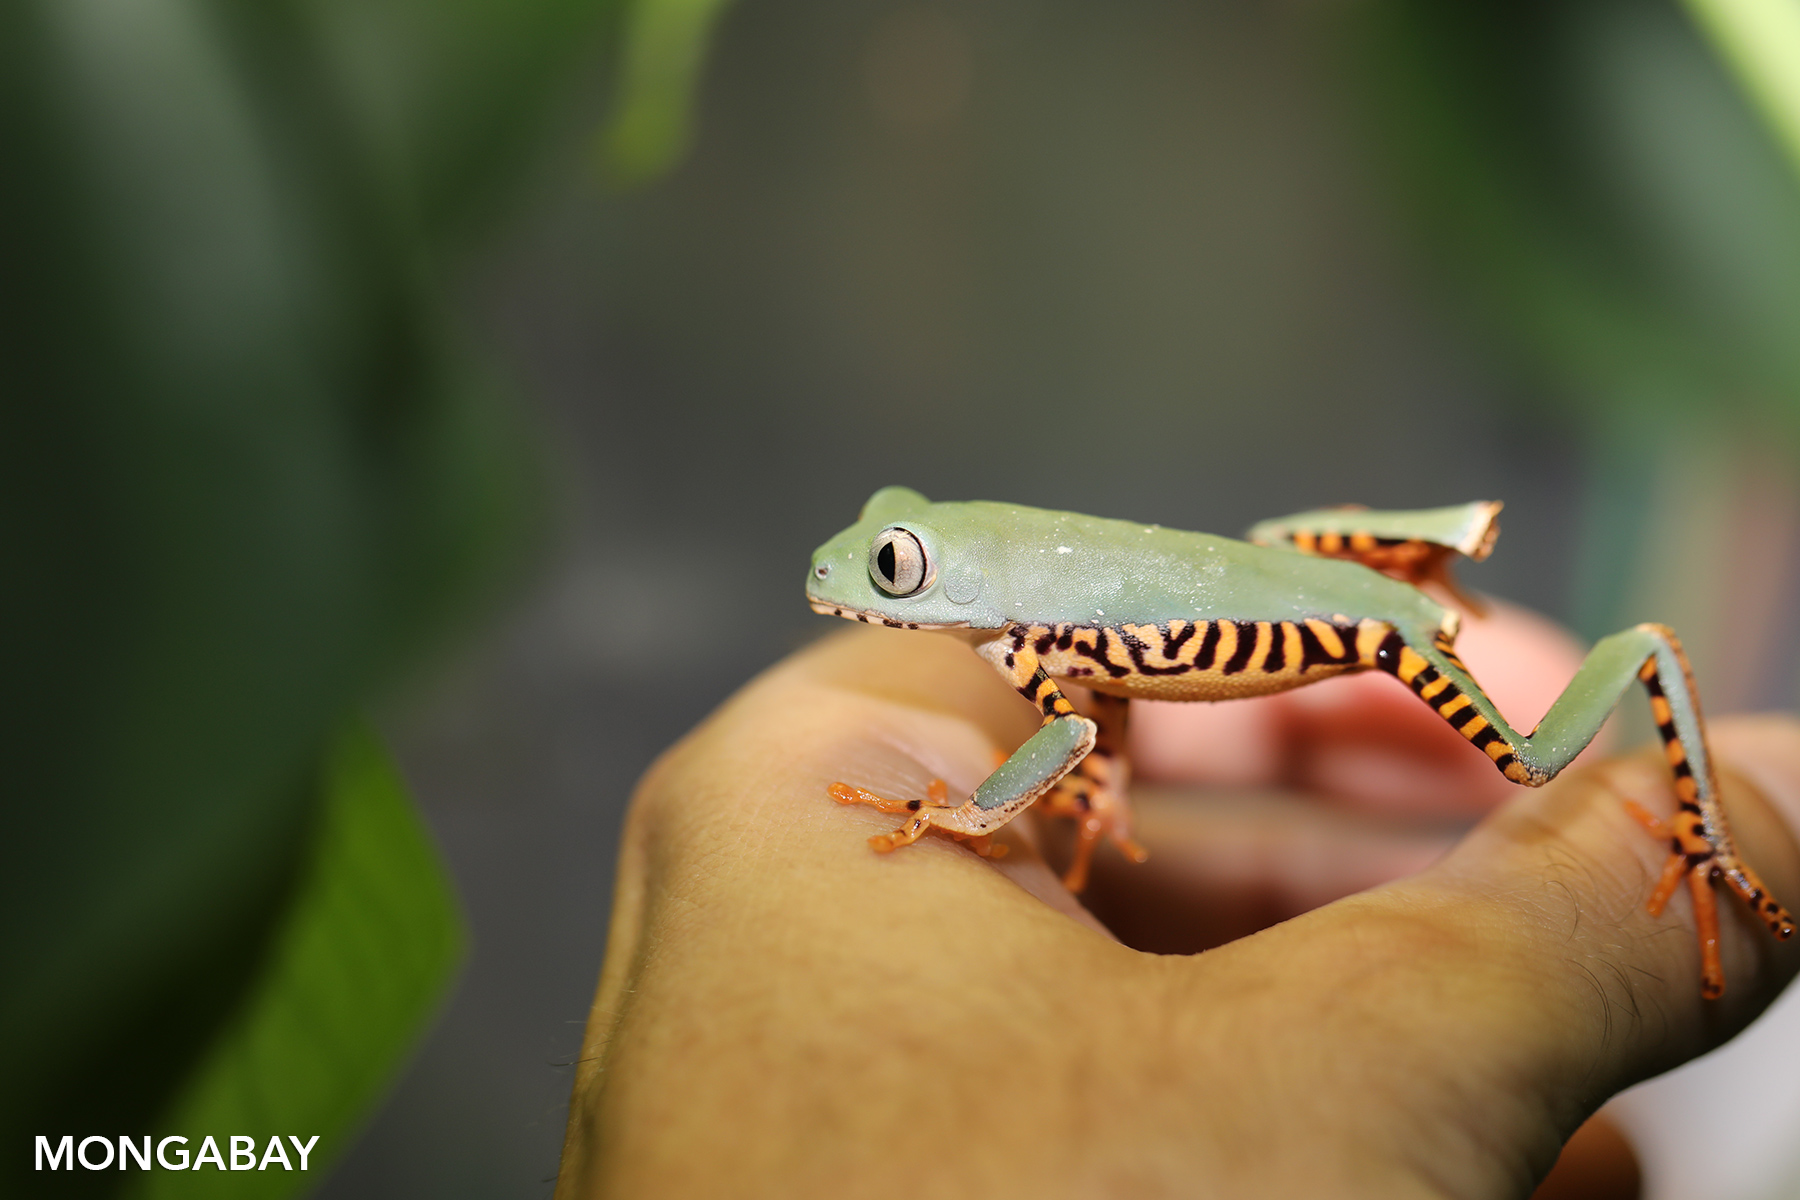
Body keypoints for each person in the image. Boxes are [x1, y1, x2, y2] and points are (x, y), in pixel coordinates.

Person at [555, 605, 1800, 1198]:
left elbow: (1060, 726)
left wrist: (976, 811)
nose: (857, 590)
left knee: (1530, 758)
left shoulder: (1039, 654)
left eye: (895, 570)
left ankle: (1708, 829)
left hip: (1353, 628)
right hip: (1278, 600)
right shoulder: (1032, 651)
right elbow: (1081, 719)